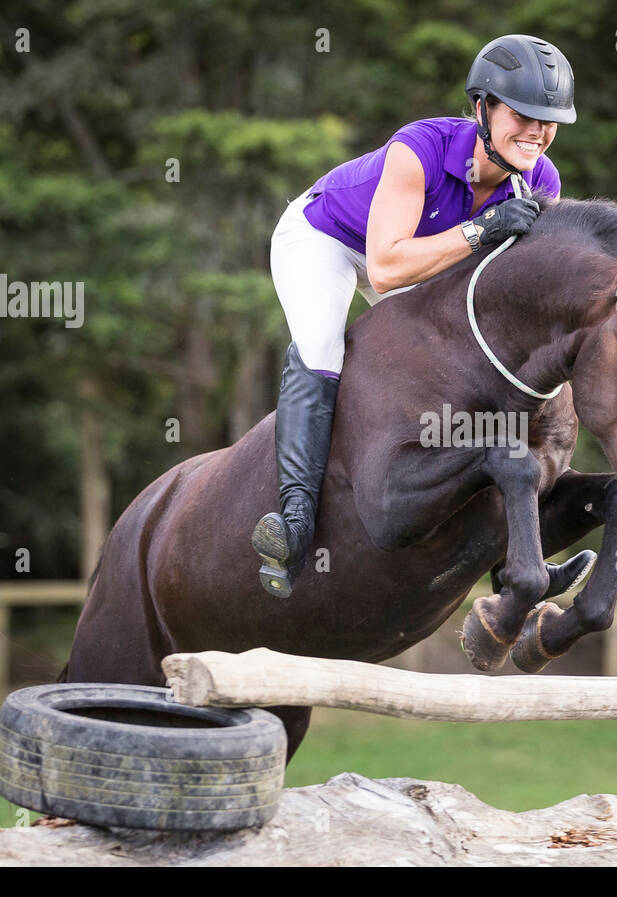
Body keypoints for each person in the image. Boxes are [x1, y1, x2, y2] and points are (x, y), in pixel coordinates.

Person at [253, 34, 590, 599]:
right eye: (523, 114)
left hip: (423, 258)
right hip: (328, 240)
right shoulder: (422, 148)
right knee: (322, 347)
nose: (537, 131)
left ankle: (512, 551)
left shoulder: (542, 182)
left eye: (549, 120)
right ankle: (292, 522)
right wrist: (481, 229)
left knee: (475, 361)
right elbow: (385, 269)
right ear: (482, 108)